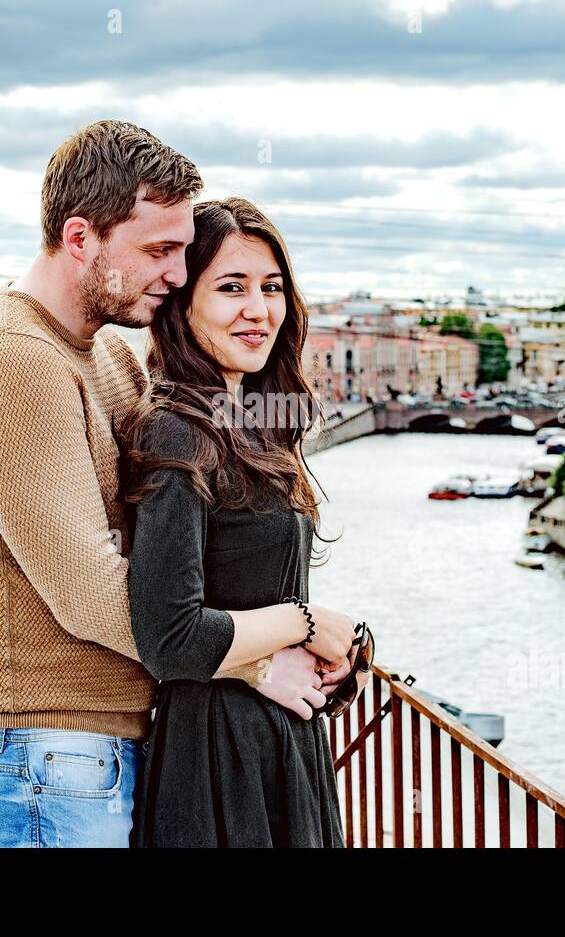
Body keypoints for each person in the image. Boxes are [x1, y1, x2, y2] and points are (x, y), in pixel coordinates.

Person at [0, 122, 349, 848]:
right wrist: (264, 657)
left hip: (96, 748)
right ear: (80, 237)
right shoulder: (11, 362)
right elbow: (97, 594)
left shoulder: (106, 358)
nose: (177, 274)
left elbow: (182, 543)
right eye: (158, 251)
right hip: (44, 753)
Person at [121, 197, 371, 847]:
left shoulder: (253, 425)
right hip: (218, 761)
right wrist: (307, 623)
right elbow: (169, 637)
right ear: (182, 303)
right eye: (232, 287)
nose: (258, 309)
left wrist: (335, 660)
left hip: (281, 742)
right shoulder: (176, 431)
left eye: (272, 288)